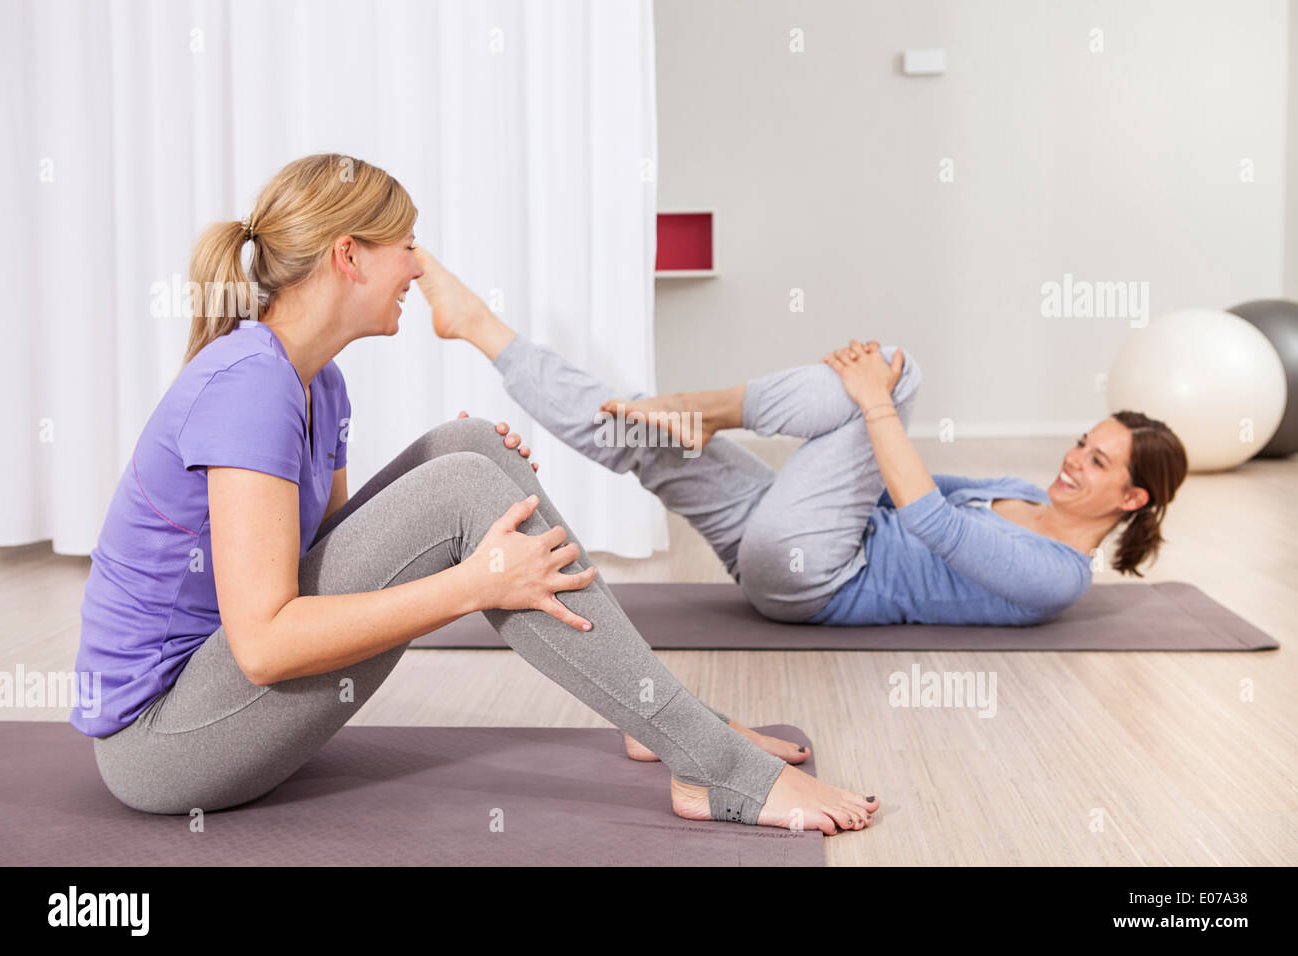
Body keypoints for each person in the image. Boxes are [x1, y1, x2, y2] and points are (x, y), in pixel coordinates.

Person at [69, 153, 877, 836]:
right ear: (349, 256)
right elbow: (266, 645)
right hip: (163, 745)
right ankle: (712, 762)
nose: (417, 268)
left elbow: (324, 553)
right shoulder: (250, 387)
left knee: (470, 449)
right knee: (459, 487)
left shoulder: (319, 383)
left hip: (221, 696)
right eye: (406, 246)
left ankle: (658, 718)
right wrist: (473, 582)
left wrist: (459, 496)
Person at [412, 247, 1189, 634]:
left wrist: (870, 403)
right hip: (794, 534)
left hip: (819, 579)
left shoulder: (1058, 578)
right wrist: (835, 445)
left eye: (1096, 459)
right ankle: (481, 330)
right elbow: (888, 484)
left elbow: (928, 521)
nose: (1071, 460)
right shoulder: (1021, 496)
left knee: (897, 374)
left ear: (1131, 496)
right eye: (1082, 441)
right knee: (644, 436)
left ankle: (704, 406)